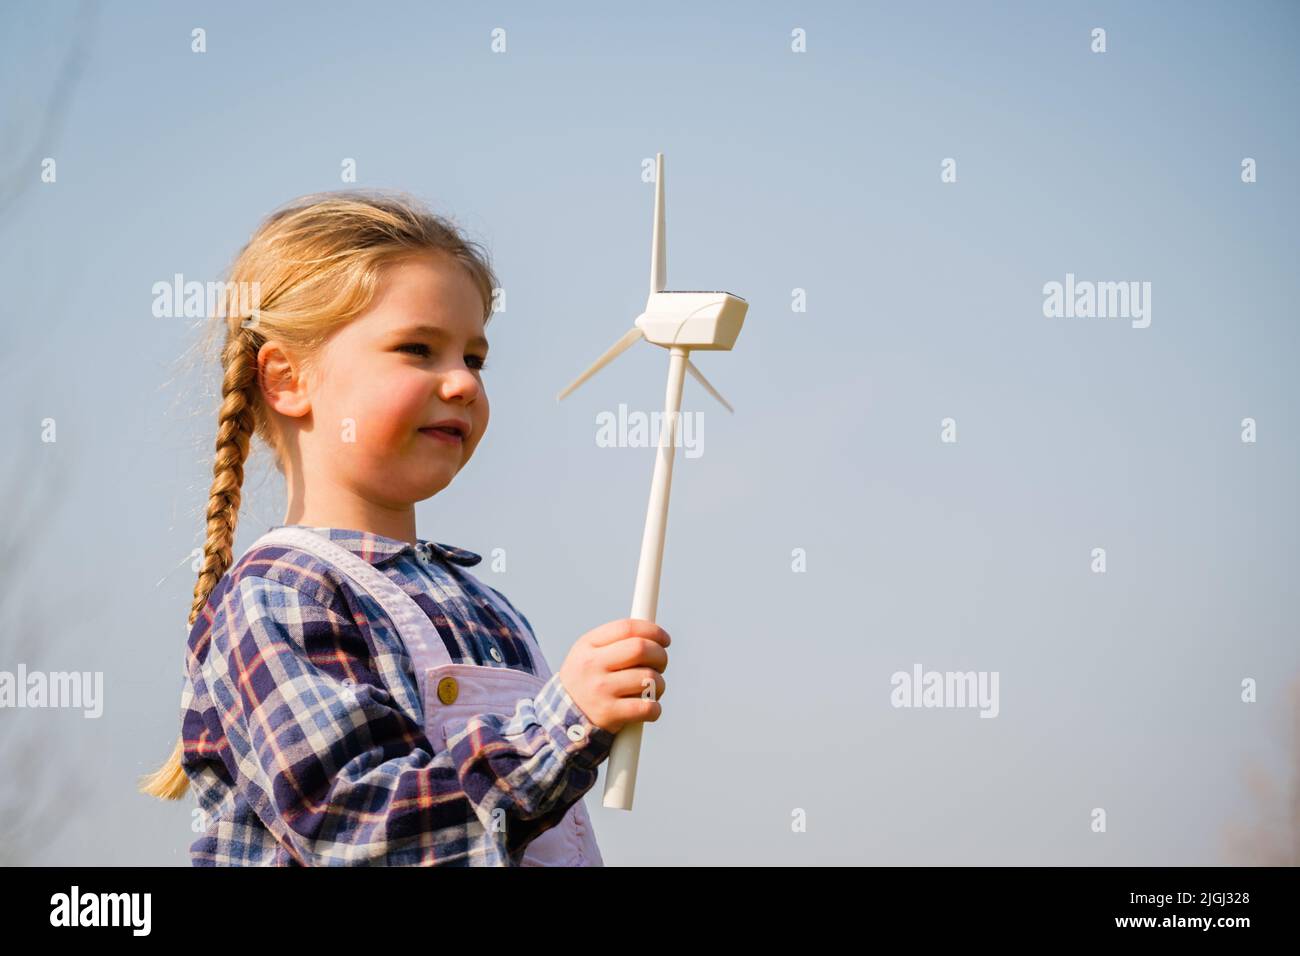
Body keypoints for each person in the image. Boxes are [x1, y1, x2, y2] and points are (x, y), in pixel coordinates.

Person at [137, 191, 669, 865]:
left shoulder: (488, 608)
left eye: (474, 358)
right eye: (419, 349)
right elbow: (361, 830)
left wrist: (585, 719)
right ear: (286, 378)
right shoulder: (280, 595)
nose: (463, 384)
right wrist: (564, 728)